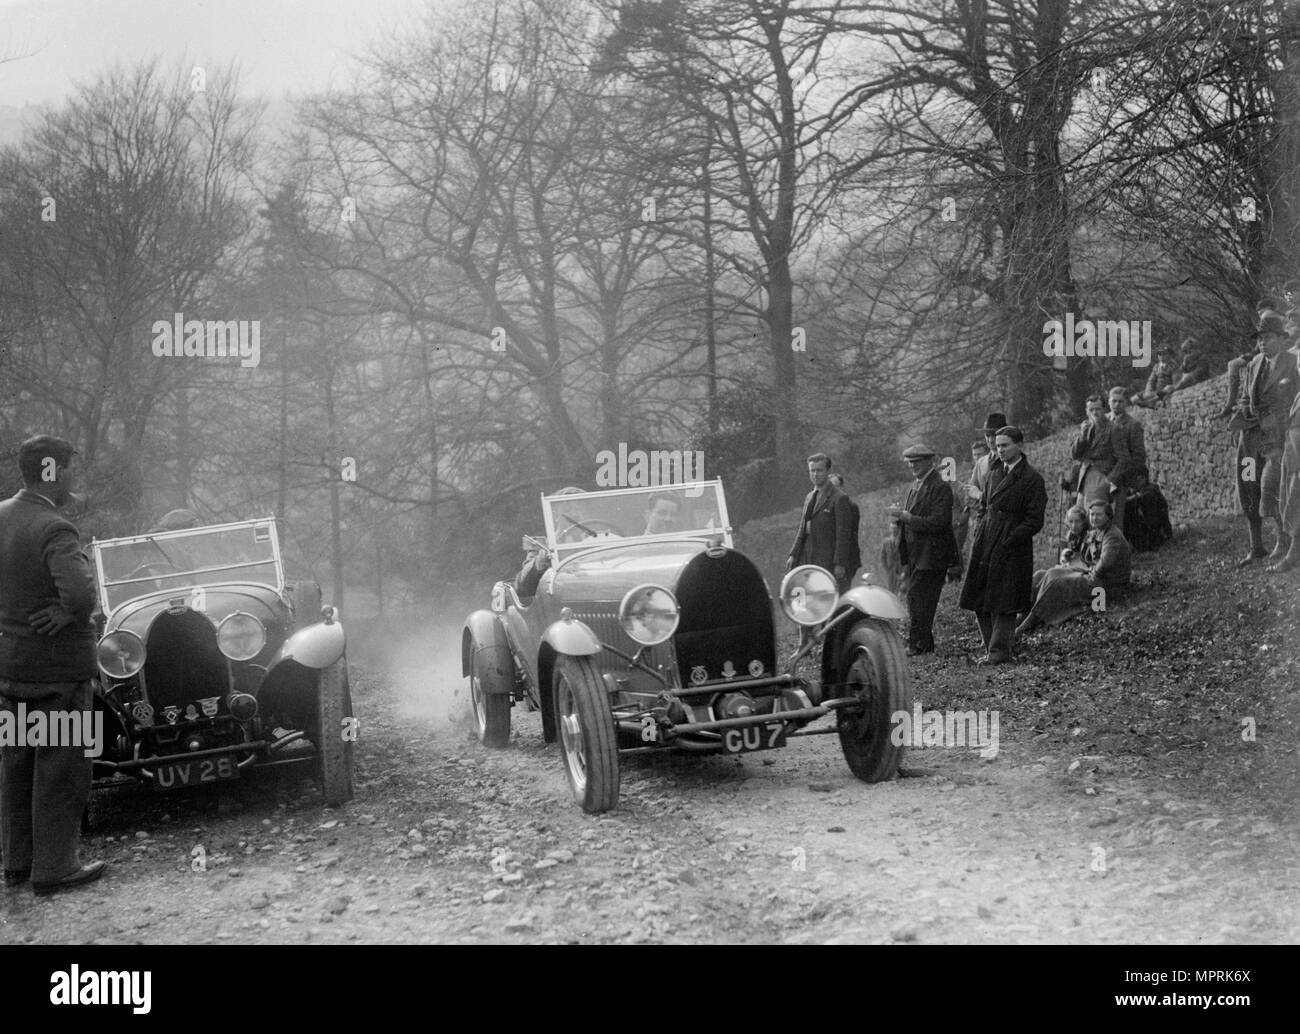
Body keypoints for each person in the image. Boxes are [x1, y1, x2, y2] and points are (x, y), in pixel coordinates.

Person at [0, 435, 106, 895]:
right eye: (68, 470)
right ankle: (56, 868)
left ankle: (17, 864)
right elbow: (80, 596)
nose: (72, 479)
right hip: (58, 674)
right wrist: (71, 611)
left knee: (18, 764)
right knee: (62, 769)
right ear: (50, 472)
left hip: (9, 670)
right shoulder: (54, 528)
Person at [959, 426, 1047, 664]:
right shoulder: (994, 473)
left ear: (1020, 445)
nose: (1001, 450)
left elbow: (1035, 520)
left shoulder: (1031, 479)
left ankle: (1000, 652)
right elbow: (985, 505)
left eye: (1006, 445)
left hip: (1011, 547)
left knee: (1005, 602)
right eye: (998, 446)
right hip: (986, 539)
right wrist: (981, 531)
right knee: (979, 596)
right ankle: (992, 648)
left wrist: (1011, 539)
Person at [1232, 311, 1298, 566]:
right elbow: (1246, 395)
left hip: (1277, 436)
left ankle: (1283, 539)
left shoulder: (1293, 364)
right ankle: (1256, 545)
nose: (1262, 343)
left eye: (1267, 338)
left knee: (1273, 485)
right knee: (1248, 484)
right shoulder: (1254, 364)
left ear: (1282, 339)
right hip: (1251, 437)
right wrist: (1246, 406)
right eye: (1259, 339)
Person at [1016, 500, 1132, 636]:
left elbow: (1104, 565)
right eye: (1092, 515)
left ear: (1108, 516)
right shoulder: (1097, 531)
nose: (1094, 518)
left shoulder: (1112, 536)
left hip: (1107, 586)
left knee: (1055, 582)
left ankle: (1032, 620)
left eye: (1098, 515)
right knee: (1041, 575)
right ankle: (1023, 612)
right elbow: (1086, 557)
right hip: (1094, 575)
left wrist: (1081, 572)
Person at [888, 445, 958, 656]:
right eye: (910, 463)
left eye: (917, 462)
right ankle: (921, 642)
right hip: (916, 554)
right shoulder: (916, 485)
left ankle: (918, 643)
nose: (913, 466)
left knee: (921, 598)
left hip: (932, 554)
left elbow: (939, 522)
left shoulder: (940, 487)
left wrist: (907, 517)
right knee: (915, 598)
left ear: (930, 462)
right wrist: (900, 519)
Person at [787, 453, 853, 592]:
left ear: (828, 471)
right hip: (807, 557)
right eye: (812, 470)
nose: (815, 474)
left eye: (819, 470)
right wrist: (793, 554)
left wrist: (840, 563)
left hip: (827, 560)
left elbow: (843, 534)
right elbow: (802, 527)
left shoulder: (839, 498)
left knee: (828, 599)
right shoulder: (809, 496)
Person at [1106, 387, 1148, 534]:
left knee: (1117, 517)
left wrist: (1123, 478)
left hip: (1124, 477)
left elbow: (1139, 456)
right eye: (1114, 401)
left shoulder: (1132, 425)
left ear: (1126, 404)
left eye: (1120, 401)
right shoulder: (1103, 422)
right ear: (1108, 402)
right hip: (1105, 475)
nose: (1116, 405)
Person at [1070, 394, 1116, 508]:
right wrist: (1082, 436)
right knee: (1080, 515)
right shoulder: (1086, 428)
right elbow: (1074, 455)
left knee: (1095, 516)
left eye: (1098, 409)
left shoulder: (1113, 429)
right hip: (1084, 477)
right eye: (1091, 410)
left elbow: (1123, 458)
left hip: (1102, 477)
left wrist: (1110, 480)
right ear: (1087, 411)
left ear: (1104, 410)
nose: (1094, 413)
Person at [827, 474, 862, 582]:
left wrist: (840, 563)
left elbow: (845, 534)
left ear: (842, 487)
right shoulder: (827, 505)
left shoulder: (848, 505)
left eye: (836, 486)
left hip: (845, 560)